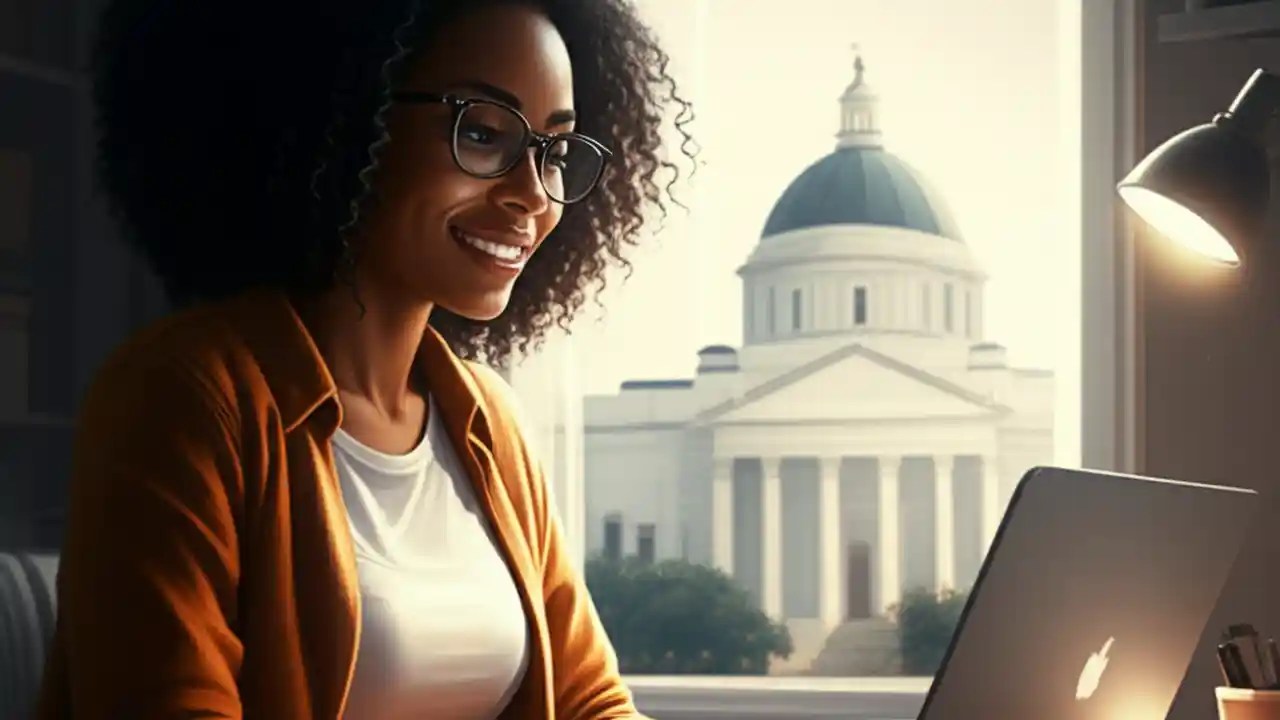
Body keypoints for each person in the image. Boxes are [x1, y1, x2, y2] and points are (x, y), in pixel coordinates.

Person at [36, 0, 694, 717]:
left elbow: (589, 698)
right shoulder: (184, 396)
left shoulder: (487, 420)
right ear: (344, 124)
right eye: (481, 132)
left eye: (555, 153)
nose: (533, 196)